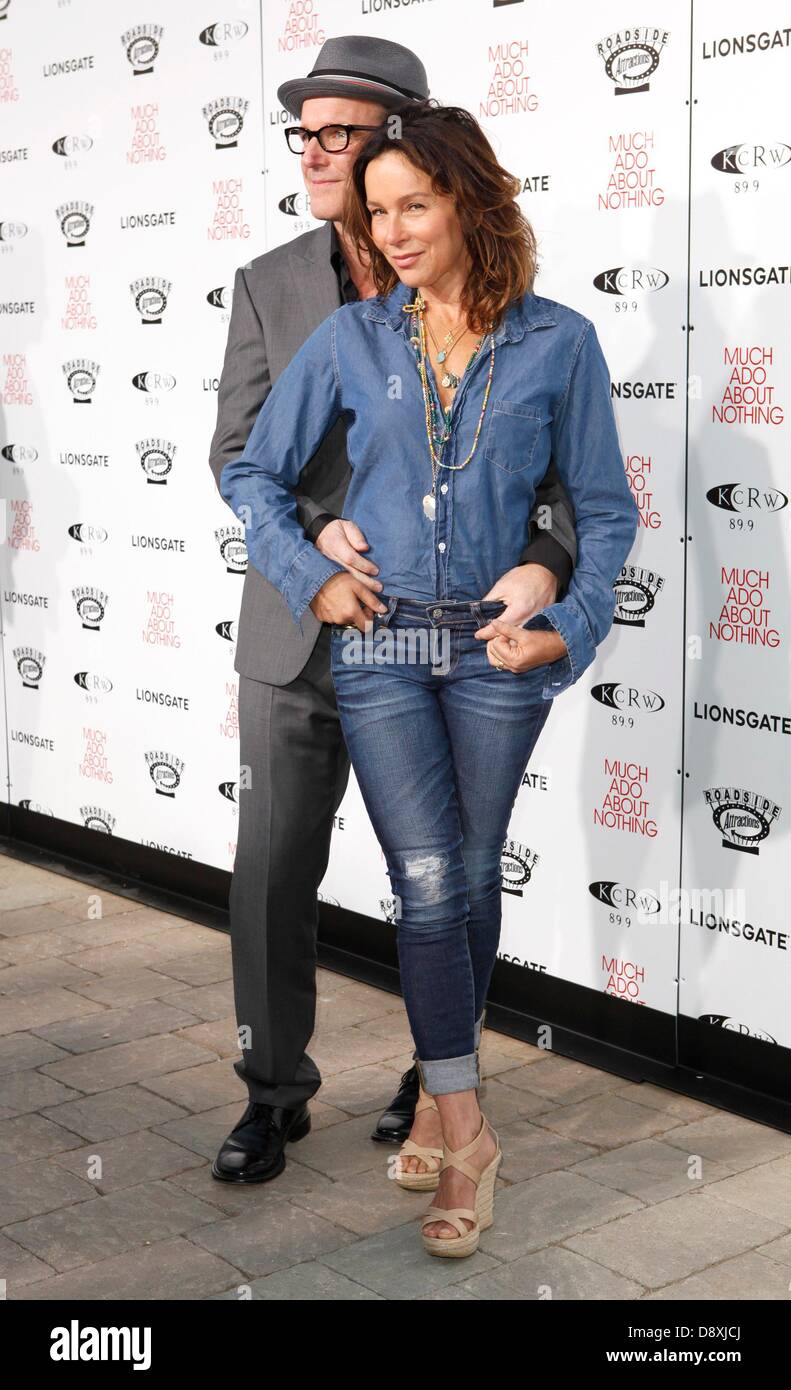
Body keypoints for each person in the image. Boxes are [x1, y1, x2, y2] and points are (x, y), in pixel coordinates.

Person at [218, 99, 640, 1255]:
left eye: (415, 205)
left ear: (468, 201)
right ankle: (465, 1133)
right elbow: (252, 473)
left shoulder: (557, 342)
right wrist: (309, 572)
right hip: (384, 645)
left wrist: (569, 612)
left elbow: (601, 511)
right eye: (377, 210)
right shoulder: (354, 338)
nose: (393, 230)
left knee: (460, 872)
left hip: (497, 652)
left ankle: (444, 1095)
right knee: (421, 875)